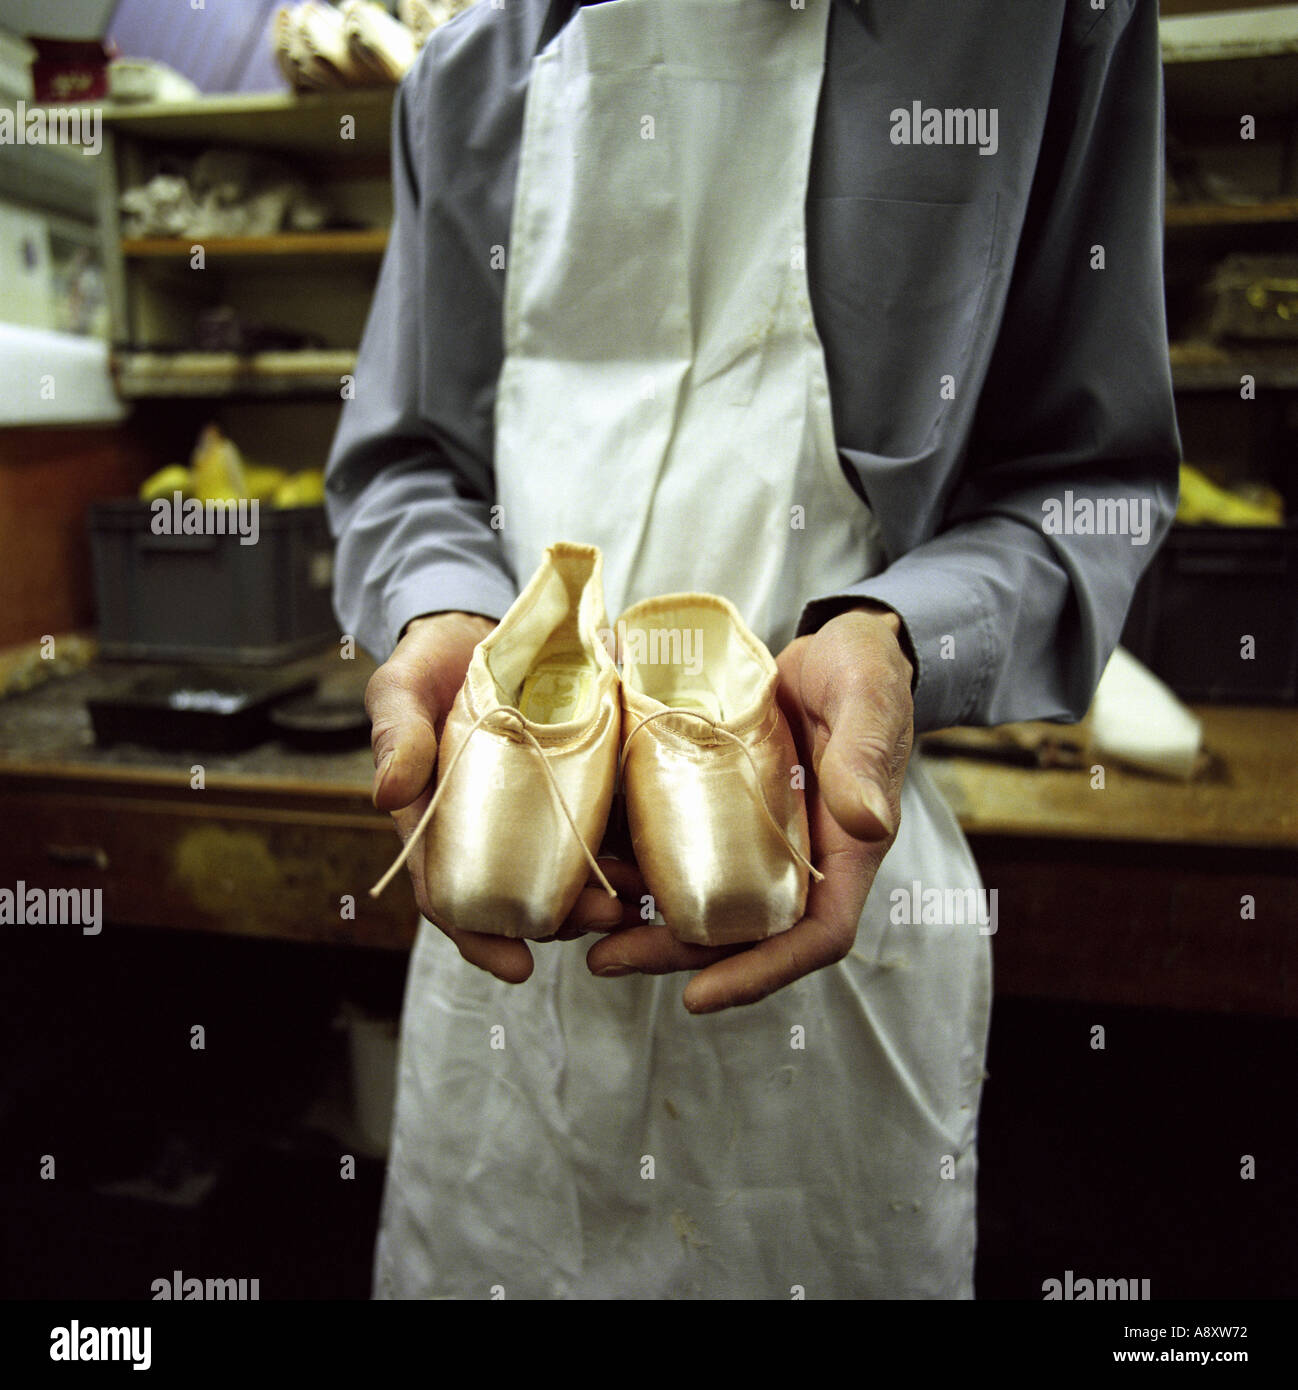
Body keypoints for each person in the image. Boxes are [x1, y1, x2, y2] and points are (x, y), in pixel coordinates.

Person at [325, 0, 1180, 1298]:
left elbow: (1084, 476)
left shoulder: (1048, 23)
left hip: (831, 880)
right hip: (510, 889)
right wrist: (445, 612)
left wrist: (896, 636)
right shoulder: (465, 69)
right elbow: (406, 459)